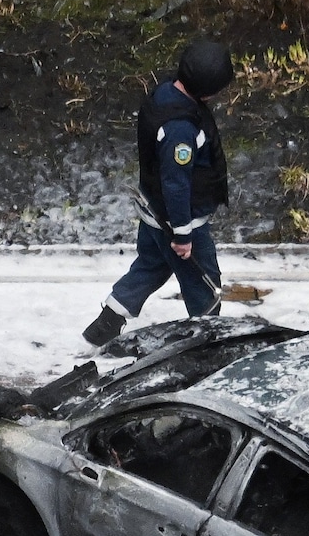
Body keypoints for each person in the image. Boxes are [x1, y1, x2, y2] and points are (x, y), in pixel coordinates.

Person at [83, 39, 234, 349]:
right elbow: (176, 183)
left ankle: (109, 320)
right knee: (204, 282)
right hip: (179, 221)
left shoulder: (165, 95)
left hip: (153, 213)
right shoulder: (180, 129)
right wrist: (182, 235)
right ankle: (209, 339)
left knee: (151, 266)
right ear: (207, 90)